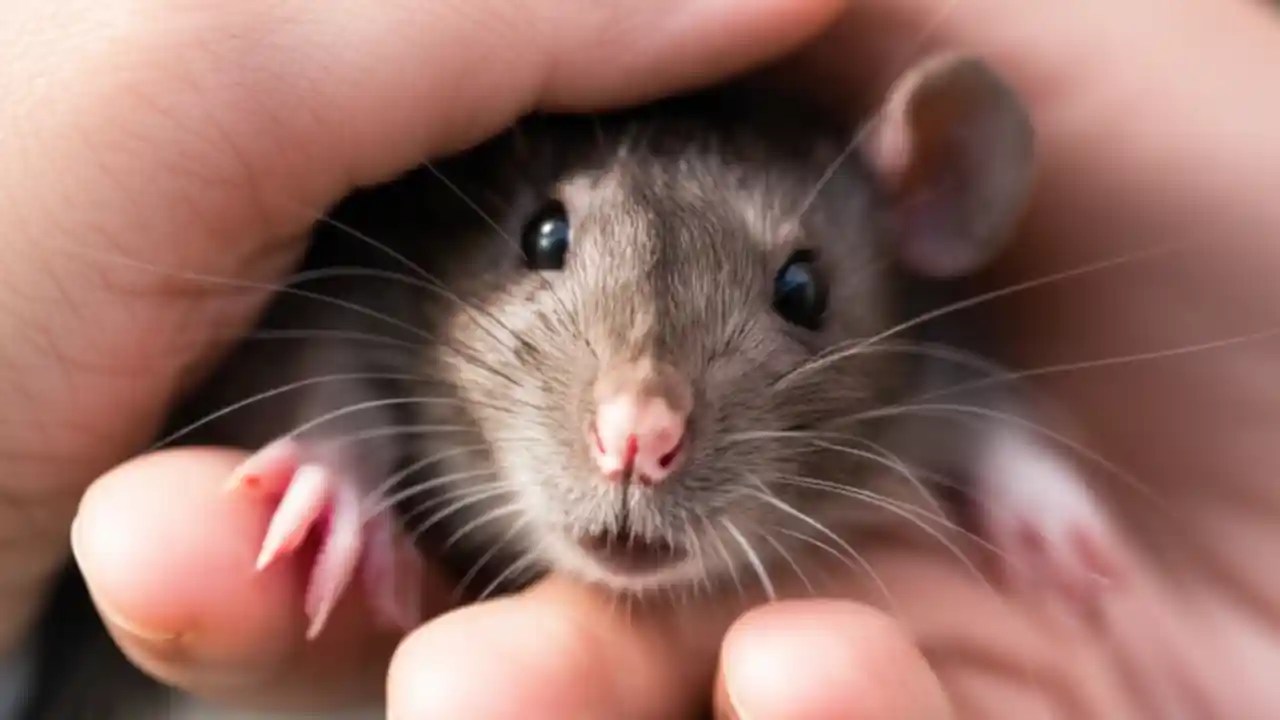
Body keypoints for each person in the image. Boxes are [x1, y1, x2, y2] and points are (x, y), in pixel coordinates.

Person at [4, 0, 1280, 716]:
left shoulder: (898, 352)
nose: (637, 424)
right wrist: (333, 455)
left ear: (934, 206)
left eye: (794, 295)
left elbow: (950, 389)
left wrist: (1024, 473)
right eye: (549, 244)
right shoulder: (400, 283)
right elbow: (340, 316)